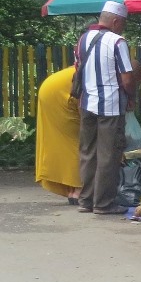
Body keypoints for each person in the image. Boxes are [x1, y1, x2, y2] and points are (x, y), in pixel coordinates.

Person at [75, 1, 135, 215]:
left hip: (87, 104)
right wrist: (131, 97)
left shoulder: (83, 40)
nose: (123, 27)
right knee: (108, 154)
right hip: (110, 106)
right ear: (116, 21)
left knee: (87, 153)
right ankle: (103, 203)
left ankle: (86, 200)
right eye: (124, 23)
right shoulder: (118, 42)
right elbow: (127, 79)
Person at [35, 65, 81, 204]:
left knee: (68, 141)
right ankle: (79, 190)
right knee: (79, 140)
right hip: (60, 94)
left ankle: (73, 190)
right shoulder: (110, 74)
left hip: (51, 89)